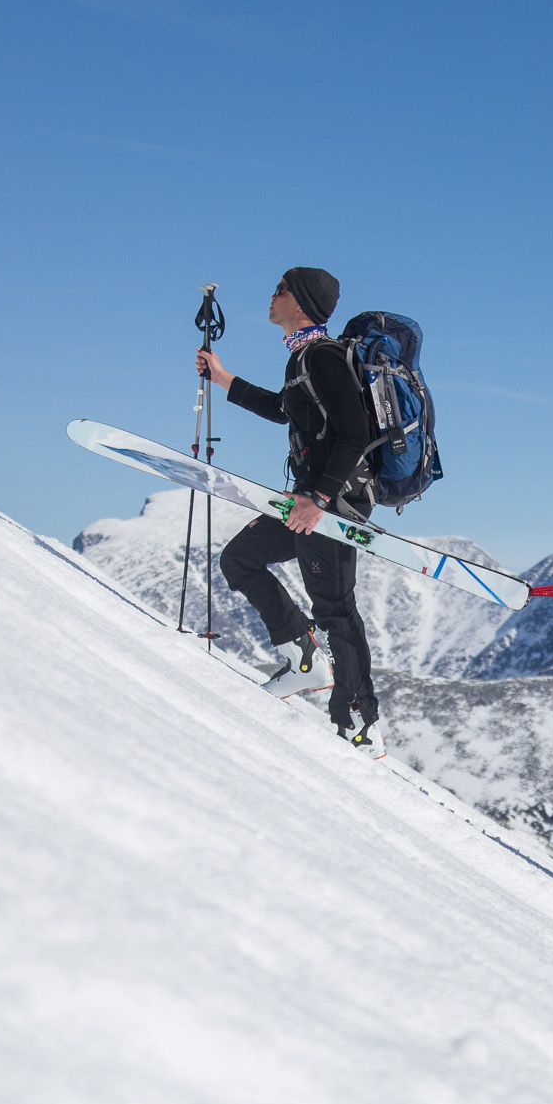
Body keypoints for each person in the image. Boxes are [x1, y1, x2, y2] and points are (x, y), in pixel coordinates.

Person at [194, 267, 379, 747]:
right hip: (306, 499)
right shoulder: (302, 358)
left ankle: (359, 724)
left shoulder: (324, 357)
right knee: (241, 558)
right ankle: (303, 655)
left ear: (300, 304)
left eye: (279, 290)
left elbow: (354, 432)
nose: (271, 296)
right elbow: (284, 410)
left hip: (331, 504)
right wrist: (223, 378)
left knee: (336, 609)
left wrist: (319, 500)